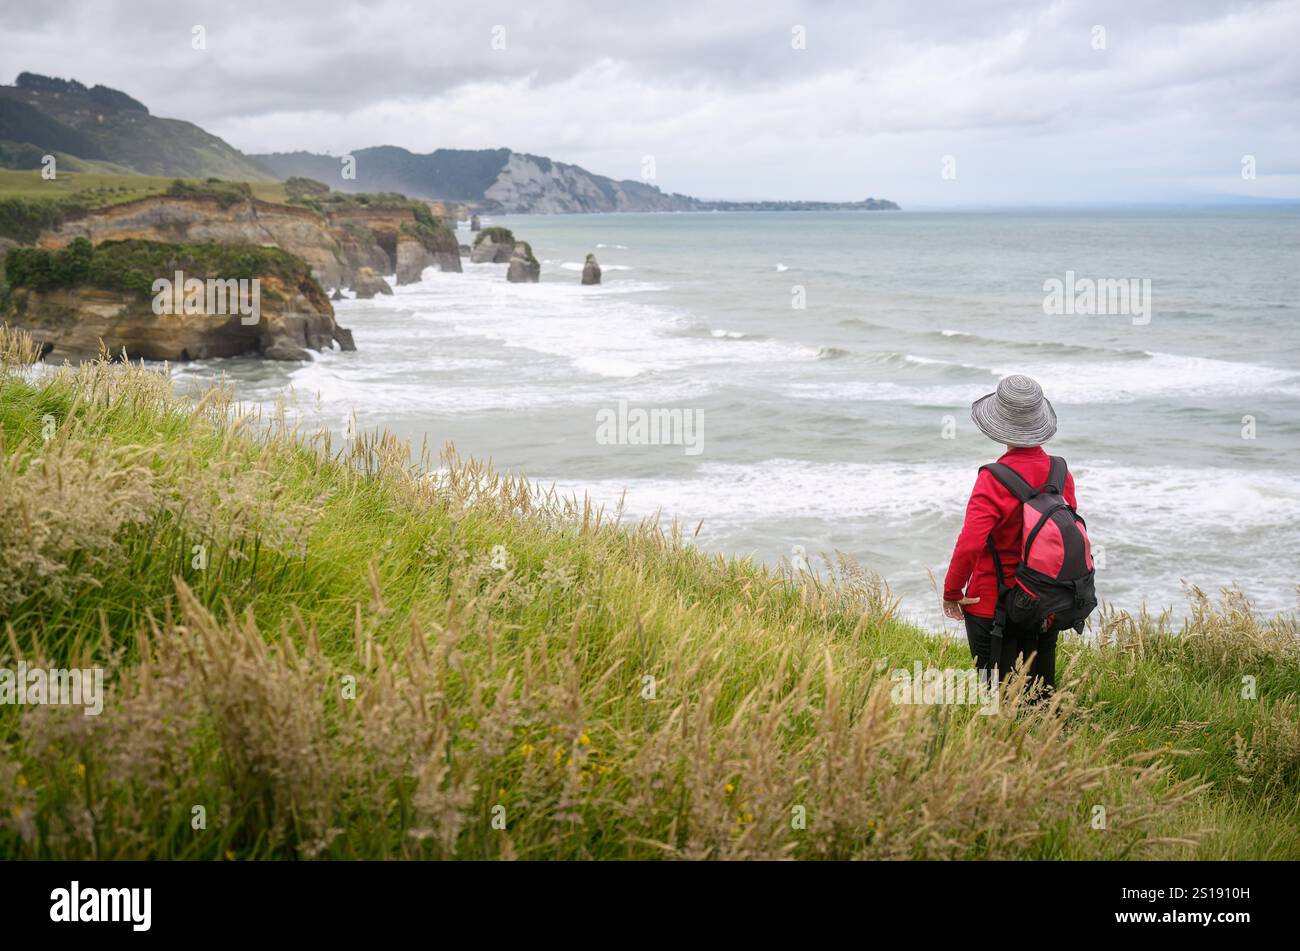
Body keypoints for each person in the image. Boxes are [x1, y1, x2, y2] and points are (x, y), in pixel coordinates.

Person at [942, 374, 1075, 692]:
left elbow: (970, 544)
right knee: (1041, 697)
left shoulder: (993, 478)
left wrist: (952, 594)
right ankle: (1047, 741)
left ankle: (1005, 740)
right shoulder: (1060, 471)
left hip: (993, 607)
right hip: (1045, 603)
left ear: (1000, 425)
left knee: (998, 700)